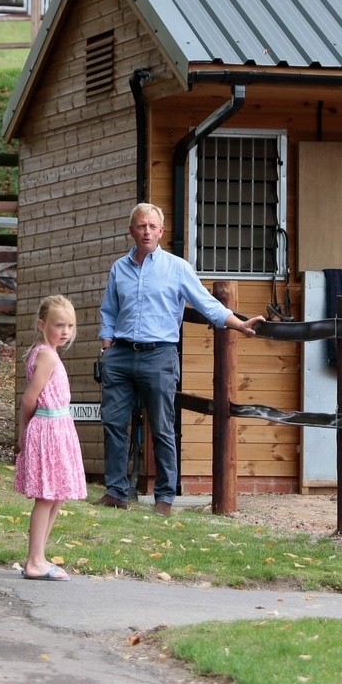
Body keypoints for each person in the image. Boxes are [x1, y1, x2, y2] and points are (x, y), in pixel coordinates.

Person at [98, 202, 264, 516]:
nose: (146, 231)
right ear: (132, 230)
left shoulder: (177, 268)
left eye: (152, 226)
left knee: (163, 428)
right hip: (120, 354)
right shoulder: (119, 268)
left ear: (161, 232)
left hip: (159, 356)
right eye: (141, 226)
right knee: (114, 424)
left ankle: (164, 498)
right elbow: (109, 310)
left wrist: (238, 323)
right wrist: (106, 343)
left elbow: (207, 304)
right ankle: (116, 492)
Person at [15, 295, 87, 581]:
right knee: (47, 496)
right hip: (48, 428)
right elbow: (30, 398)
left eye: (70, 325)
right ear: (42, 325)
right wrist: (25, 429)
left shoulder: (49, 353)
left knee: (57, 495)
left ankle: (40, 556)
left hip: (59, 428)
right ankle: (34, 560)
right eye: (59, 325)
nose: (65, 331)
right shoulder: (46, 355)